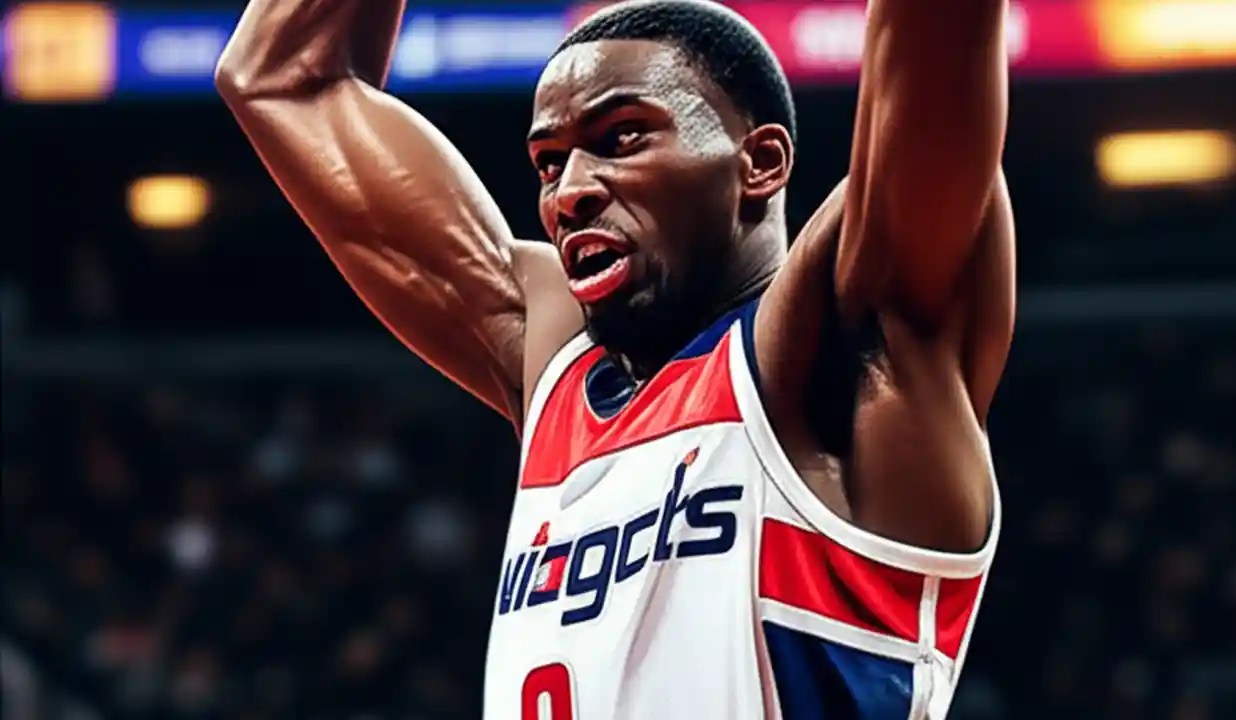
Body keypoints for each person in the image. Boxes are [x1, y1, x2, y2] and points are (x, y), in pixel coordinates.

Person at [216, 0, 1014, 716]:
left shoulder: (852, 343)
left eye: (620, 138)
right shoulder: (556, 364)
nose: (570, 193)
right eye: (549, 162)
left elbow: (937, 37)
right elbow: (281, 78)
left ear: (761, 162)